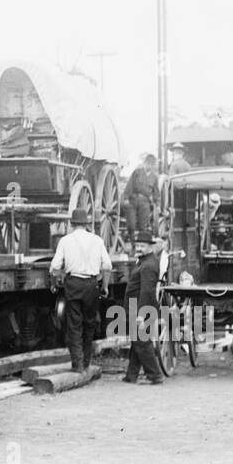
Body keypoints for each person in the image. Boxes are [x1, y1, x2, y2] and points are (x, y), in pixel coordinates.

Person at [49, 206, 113, 379]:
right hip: (92, 284)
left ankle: (77, 364)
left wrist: (55, 284)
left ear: (71, 223)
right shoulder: (97, 240)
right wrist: (104, 286)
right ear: (87, 224)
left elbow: (55, 267)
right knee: (89, 323)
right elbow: (107, 266)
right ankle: (86, 362)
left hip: (73, 283)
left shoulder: (65, 241)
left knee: (74, 324)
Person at [122, 231, 165, 384]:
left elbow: (147, 291)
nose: (139, 248)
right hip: (137, 306)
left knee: (142, 342)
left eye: (142, 246)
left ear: (150, 247)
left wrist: (141, 314)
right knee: (137, 341)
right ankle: (131, 375)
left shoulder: (148, 265)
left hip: (141, 308)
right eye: (137, 245)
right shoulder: (144, 261)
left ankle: (155, 375)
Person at [122, 153, 158, 241]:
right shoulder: (137, 172)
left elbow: (156, 192)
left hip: (145, 203)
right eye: (147, 163)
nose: (148, 165)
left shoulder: (154, 177)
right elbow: (129, 185)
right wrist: (126, 198)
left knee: (143, 226)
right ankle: (133, 246)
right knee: (131, 225)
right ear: (144, 163)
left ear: (153, 165)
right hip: (133, 201)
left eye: (151, 164)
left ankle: (141, 245)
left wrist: (156, 204)